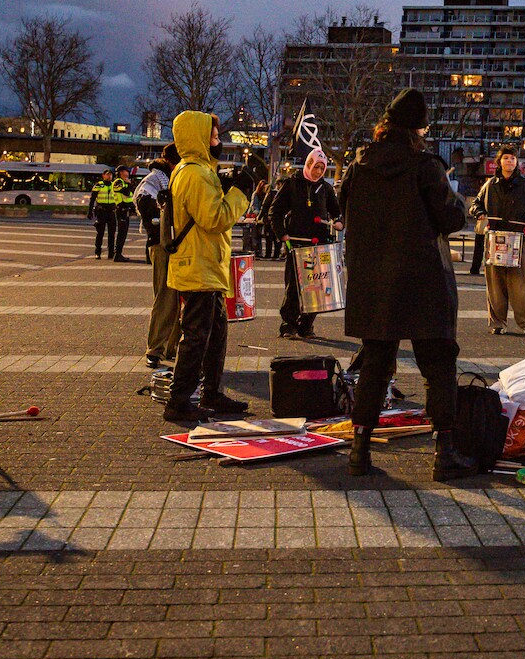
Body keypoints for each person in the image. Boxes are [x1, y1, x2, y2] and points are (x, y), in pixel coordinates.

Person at [338, 88, 472, 480]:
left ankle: (359, 453)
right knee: (439, 365)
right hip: (423, 281)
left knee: (375, 365)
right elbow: (450, 218)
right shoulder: (424, 165)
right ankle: (444, 452)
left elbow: (344, 207)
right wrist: (458, 202)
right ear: (418, 129)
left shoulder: (359, 164)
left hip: (375, 282)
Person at [163, 111, 254, 423]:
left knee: (215, 332)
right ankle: (179, 400)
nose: (219, 142)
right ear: (200, 139)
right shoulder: (196, 174)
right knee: (198, 335)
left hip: (204, 266)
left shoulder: (194, 170)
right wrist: (242, 193)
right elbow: (215, 219)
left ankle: (211, 392)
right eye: (214, 136)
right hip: (198, 268)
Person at [468, 145, 525, 336]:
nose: (509, 161)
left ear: (516, 162)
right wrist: (479, 213)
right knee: (495, 284)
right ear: (499, 162)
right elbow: (475, 204)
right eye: (505, 158)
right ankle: (497, 323)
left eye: (512, 158)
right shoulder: (489, 185)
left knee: (521, 284)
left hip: (520, 240)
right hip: (495, 240)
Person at [267, 149, 343, 339]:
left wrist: (339, 221)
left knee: (317, 289)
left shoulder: (325, 188)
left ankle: (306, 325)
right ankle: (288, 325)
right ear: (308, 164)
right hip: (297, 245)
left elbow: (336, 211)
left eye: (321, 168)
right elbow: (274, 211)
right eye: (315, 167)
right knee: (294, 287)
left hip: (319, 246)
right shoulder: (292, 183)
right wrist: (282, 234)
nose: (318, 172)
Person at [134, 144, 181, 369]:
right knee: (166, 296)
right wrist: (161, 228)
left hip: (172, 244)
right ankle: (156, 349)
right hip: (163, 245)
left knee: (176, 298)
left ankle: (171, 347)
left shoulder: (170, 176)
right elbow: (144, 200)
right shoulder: (157, 177)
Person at [87, 168, 119, 260]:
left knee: (112, 234)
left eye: (110, 175)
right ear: (103, 176)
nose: (109, 176)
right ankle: (98, 252)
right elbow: (92, 199)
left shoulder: (115, 185)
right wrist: (90, 211)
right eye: (107, 174)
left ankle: (111, 253)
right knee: (100, 233)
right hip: (101, 212)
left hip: (112, 212)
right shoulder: (99, 185)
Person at [113, 164, 134, 262]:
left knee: (124, 233)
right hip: (121, 209)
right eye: (126, 171)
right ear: (121, 172)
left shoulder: (125, 182)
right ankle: (117, 254)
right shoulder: (118, 182)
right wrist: (129, 185)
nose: (128, 173)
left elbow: (131, 193)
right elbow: (126, 192)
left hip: (126, 210)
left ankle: (119, 253)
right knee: (121, 233)